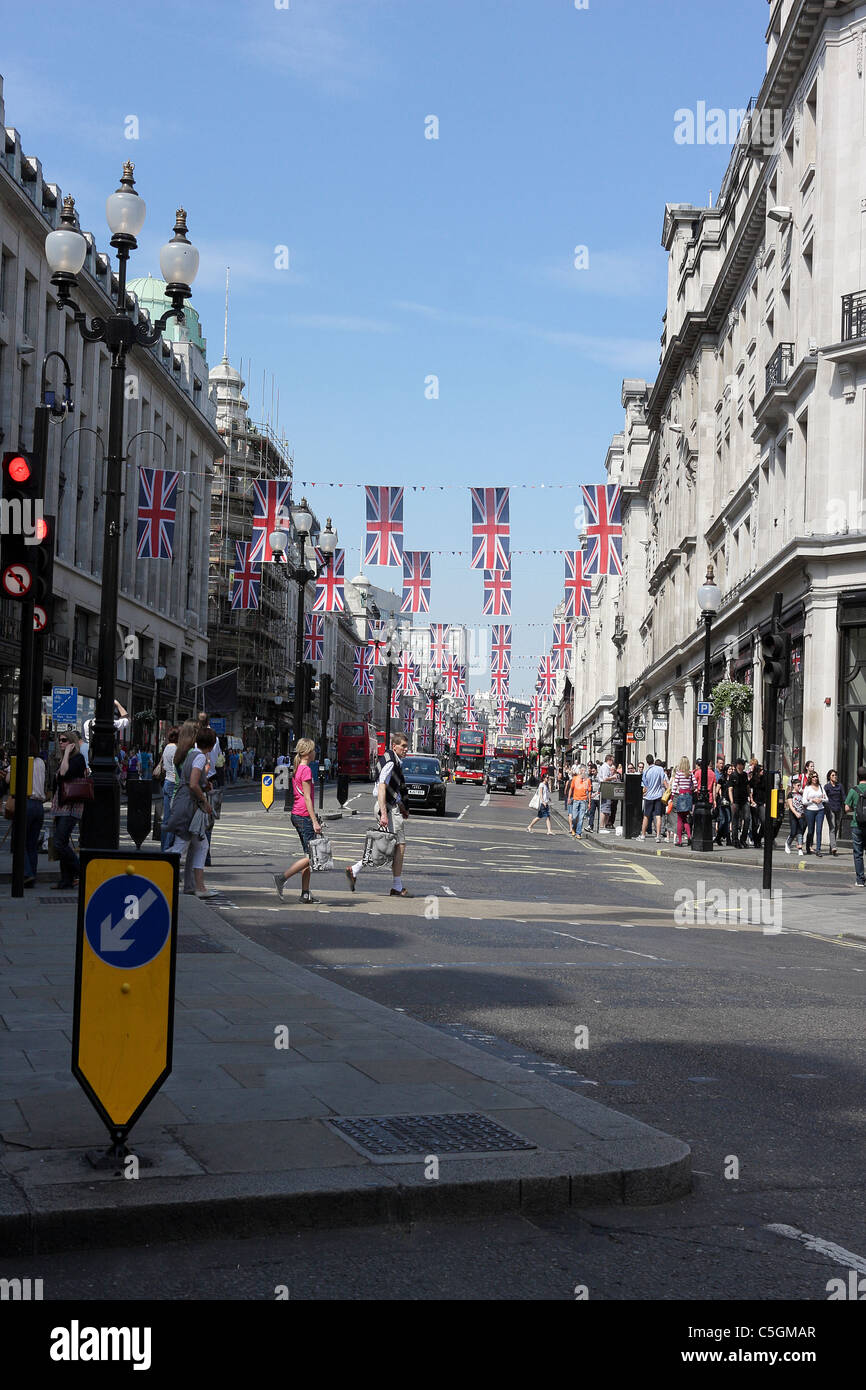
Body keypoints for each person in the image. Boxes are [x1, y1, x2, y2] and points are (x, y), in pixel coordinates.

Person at [346, 731, 413, 896]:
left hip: (390, 807)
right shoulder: (390, 762)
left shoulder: (392, 760)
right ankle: (397, 886)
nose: (406, 749)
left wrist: (402, 806)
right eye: (403, 746)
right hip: (387, 808)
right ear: (394, 746)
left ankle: (354, 870)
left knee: (385, 847)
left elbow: (392, 788)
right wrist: (384, 813)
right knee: (399, 846)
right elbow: (382, 787)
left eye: (407, 746)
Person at [167, 726, 217, 898]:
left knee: (199, 845)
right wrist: (205, 801)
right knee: (181, 846)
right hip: (189, 807)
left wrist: (205, 784)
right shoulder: (200, 757)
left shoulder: (192, 754)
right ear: (211, 745)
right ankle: (156, 868)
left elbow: (194, 779)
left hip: (184, 803)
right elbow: (193, 783)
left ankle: (195, 886)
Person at [273, 737, 323, 904]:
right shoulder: (306, 770)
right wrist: (314, 820)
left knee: (307, 855)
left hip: (297, 814)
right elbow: (307, 798)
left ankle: (305, 894)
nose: (316, 753)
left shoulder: (298, 768)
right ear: (308, 752)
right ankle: (282, 878)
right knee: (313, 856)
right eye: (314, 750)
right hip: (303, 815)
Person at [52, 729, 87, 889]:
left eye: (64, 740)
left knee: (59, 842)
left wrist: (66, 753)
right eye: (59, 740)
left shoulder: (78, 759)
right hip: (60, 806)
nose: (61, 743)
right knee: (62, 842)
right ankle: (66, 880)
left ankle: (80, 870)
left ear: (72, 743)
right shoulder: (64, 759)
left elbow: (65, 773)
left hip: (71, 807)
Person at [12, 736, 46, 887]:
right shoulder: (41, 762)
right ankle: (32, 873)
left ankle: (26, 873)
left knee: (19, 840)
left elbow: (9, 780)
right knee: (32, 844)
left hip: (25, 803)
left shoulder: (21, 761)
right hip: (39, 806)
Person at [157, 726, 179, 852]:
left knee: (166, 818)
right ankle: (168, 848)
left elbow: (165, 767)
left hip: (166, 782)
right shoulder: (176, 749)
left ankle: (163, 847)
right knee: (173, 819)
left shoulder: (166, 748)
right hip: (173, 783)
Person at [843, 765, 866, 887]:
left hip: (856, 824)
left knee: (858, 853)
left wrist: (856, 809)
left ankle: (860, 880)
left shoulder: (853, 790)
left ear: (858, 777)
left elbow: (846, 808)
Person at [638, 754, 668, 841]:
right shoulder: (660, 769)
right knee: (658, 816)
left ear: (647, 762)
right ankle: (658, 836)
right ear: (653, 760)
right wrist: (669, 791)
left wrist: (644, 792)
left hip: (649, 797)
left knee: (646, 816)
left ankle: (643, 835)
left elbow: (645, 787)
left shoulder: (646, 772)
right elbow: (664, 782)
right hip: (658, 796)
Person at [670, 756, 695, 846]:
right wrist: (690, 788)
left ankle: (680, 841)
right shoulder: (690, 774)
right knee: (685, 819)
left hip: (681, 796)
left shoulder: (678, 774)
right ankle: (689, 836)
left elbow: (674, 786)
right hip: (688, 796)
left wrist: (672, 797)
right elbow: (695, 784)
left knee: (680, 819)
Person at [802, 770, 828, 857]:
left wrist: (821, 800)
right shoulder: (807, 788)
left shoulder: (820, 787)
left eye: (816, 776)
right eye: (813, 777)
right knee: (810, 830)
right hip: (810, 810)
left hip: (820, 810)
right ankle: (808, 847)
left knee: (819, 830)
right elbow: (804, 801)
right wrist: (812, 800)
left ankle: (818, 850)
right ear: (810, 778)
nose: (815, 778)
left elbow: (827, 799)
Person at [728, 758, 750, 848]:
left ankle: (743, 839)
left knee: (747, 819)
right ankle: (735, 840)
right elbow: (730, 789)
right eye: (741, 764)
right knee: (735, 821)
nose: (743, 766)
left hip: (744, 800)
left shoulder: (745, 775)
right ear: (737, 765)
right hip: (736, 800)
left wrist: (749, 797)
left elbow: (747, 787)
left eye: (743, 765)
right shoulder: (733, 775)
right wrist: (732, 801)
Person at [824, 770, 844, 857]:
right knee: (832, 827)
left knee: (836, 828)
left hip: (838, 809)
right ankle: (834, 847)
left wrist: (846, 805)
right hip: (830, 809)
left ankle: (831, 847)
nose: (835, 776)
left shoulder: (840, 786)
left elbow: (843, 796)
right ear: (829, 777)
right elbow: (824, 797)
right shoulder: (827, 787)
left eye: (835, 775)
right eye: (833, 775)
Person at [568, 764, 591, 839]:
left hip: (583, 800)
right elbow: (571, 789)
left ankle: (578, 833)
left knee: (581, 818)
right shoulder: (575, 778)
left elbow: (589, 792)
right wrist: (569, 798)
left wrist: (589, 802)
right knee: (574, 817)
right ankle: (573, 828)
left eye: (584, 771)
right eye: (582, 770)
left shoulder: (587, 780)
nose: (583, 772)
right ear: (580, 771)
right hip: (575, 800)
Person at [784, 776, 805, 855]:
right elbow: (790, 806)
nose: (799, 787)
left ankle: (800, 848)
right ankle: (788, 843)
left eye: (800, 785)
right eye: (798, 785)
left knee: (800, 831)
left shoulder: (801, 794)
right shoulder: (790, 794)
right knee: (793, 832)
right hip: (793, 815)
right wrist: (796, 813)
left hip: (801, 814)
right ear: (793, 785)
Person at [749, 762, 767, 849]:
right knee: (755, 823)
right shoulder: (753, 780)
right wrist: (752, 801)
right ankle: (755, 840)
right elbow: (750, 791)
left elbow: (767, 791)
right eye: (761, 770)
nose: (762, 771)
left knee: (764, 821)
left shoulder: (765, 779)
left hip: (762, 803)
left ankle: (759, 838)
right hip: (755, 802)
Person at [597, 753, 615, 833]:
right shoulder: (605, 767)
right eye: (612, 761)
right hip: (605, 789)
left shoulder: (605, 767)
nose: (613, 763)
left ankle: (603, 826)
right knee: (604, 809)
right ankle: (602, 827)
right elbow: (604, 779)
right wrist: (613, 777)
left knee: (606, 809)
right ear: (609, 760)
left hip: (606, 789)